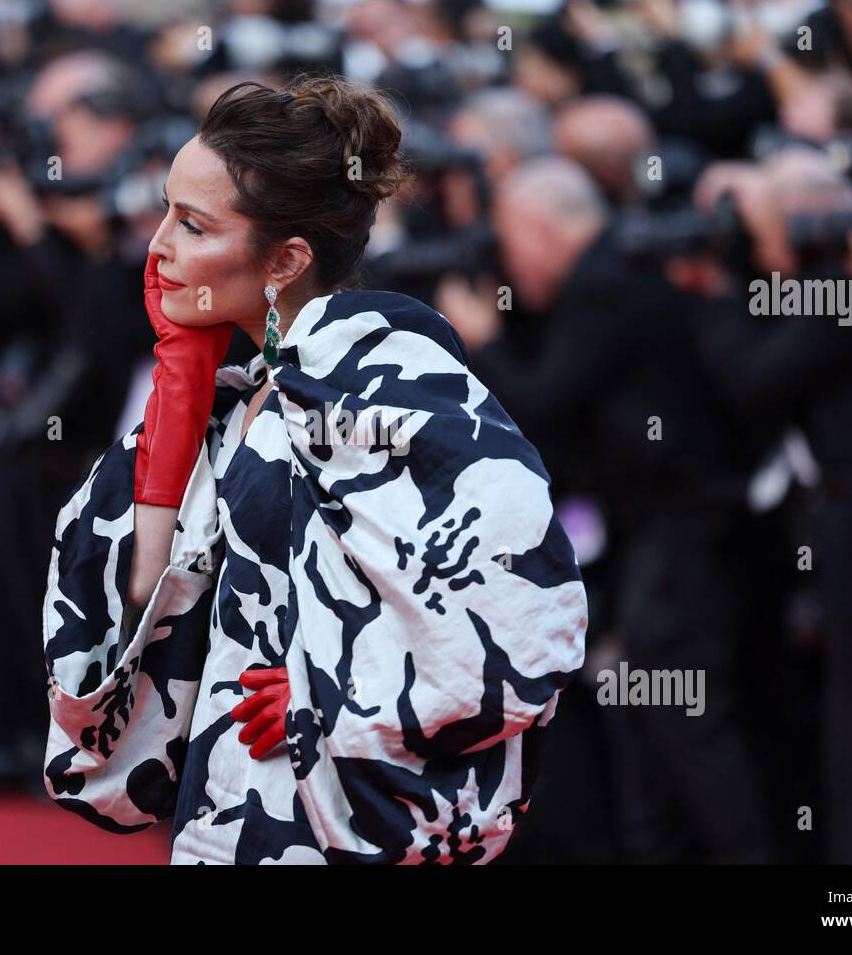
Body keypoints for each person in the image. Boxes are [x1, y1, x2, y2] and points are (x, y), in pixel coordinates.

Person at [40, 74, 589, 864]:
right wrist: (182, 371)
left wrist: (337, 696)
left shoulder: (386, 373)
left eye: (191, 225)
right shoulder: (260, 384)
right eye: (164, 210)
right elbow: (141, 590)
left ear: (286, 258)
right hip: (233, 798)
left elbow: (534, 610)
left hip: (330, 817)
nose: (157, 244)